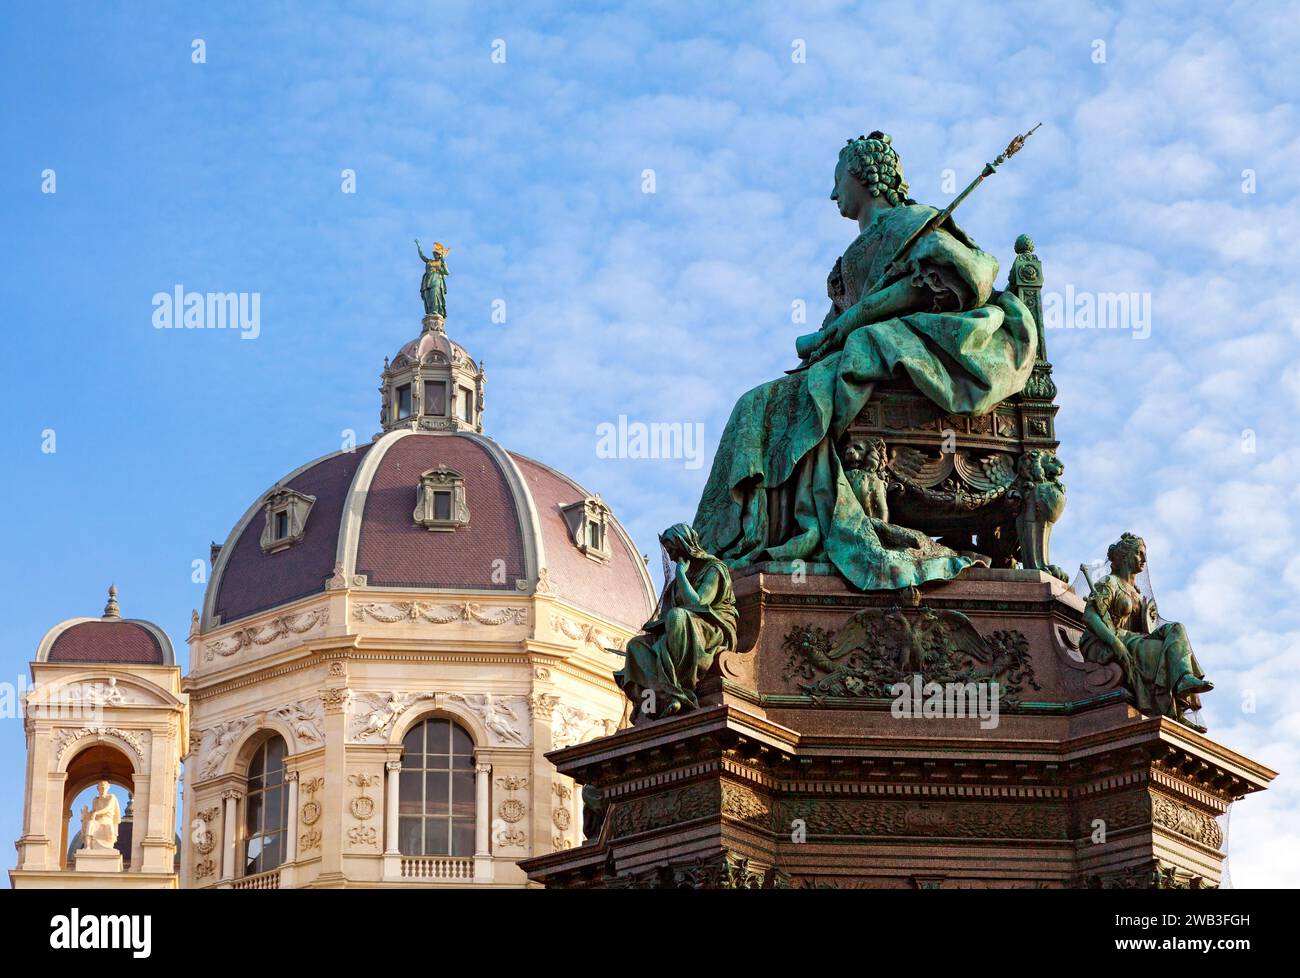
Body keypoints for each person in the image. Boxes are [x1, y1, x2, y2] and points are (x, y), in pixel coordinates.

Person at [694, 132, 1037, 591]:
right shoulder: (851, 258)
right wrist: (828, 334)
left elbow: (937, 287)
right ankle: (736, 543)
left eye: (839, 180)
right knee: (755, 405)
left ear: (864, 177)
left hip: (911, 351)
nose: (834, 193)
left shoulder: (917, 223)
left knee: (854, 355)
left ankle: (784, 528)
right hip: (853, 356)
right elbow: (836, 324)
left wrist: (851, 321)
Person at [1081, 533, 1213, 732]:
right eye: (1139, 554)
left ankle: (1183, 682)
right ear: (1125, 557)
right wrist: (1115, 643)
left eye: (1144, 555)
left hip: (1133, 641)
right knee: (1161, 653)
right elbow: (1090, 616)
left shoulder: (1138, 594)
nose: (1144, 559)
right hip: (1106, 641)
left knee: (1176, 629)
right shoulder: (1109, 583)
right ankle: (1172, 708)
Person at [614, 524, 737, 721]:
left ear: (684, 545)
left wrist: (680, 574)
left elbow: (699, 603)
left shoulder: (714, 569)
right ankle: (667, 695)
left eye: (672, 549)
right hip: (679, 628)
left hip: (711, 627)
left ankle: (681, 688)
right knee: (635, 645)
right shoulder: (676, 583)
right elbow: (665, 615)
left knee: (678, 616)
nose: (670, 556)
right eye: (668, 551)